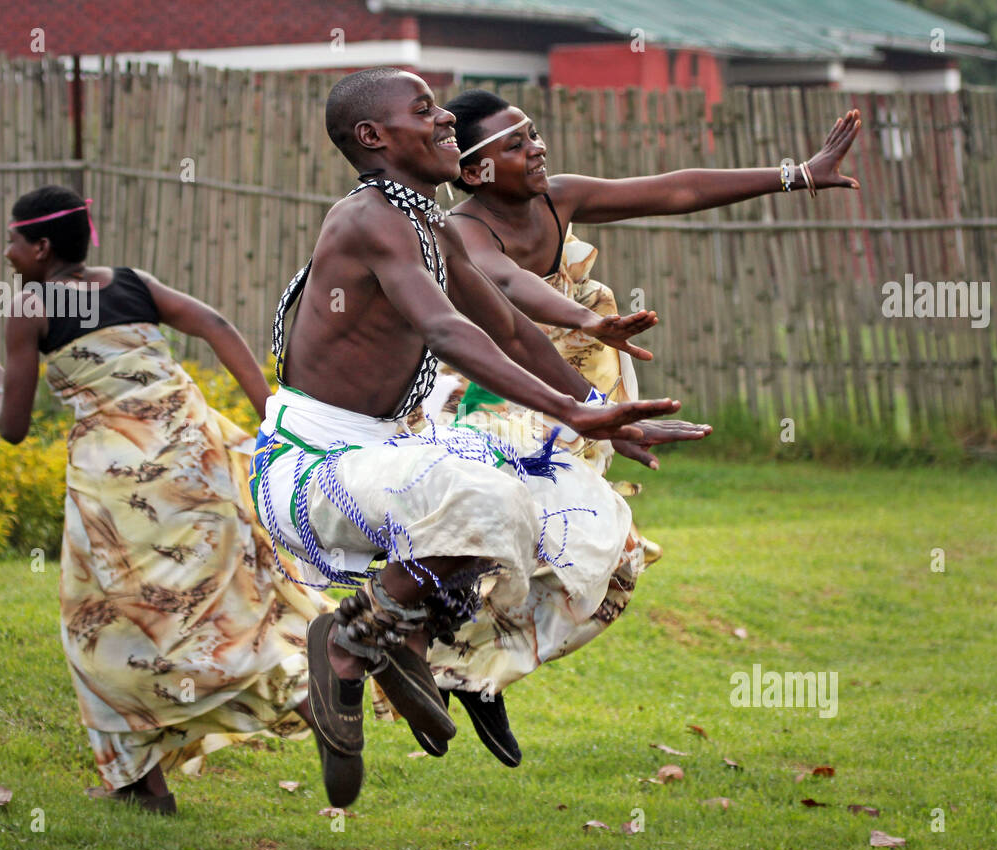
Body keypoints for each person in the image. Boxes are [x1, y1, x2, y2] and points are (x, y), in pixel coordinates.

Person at [248, 67, 706, 806]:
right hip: (315, 464)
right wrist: (575, 409)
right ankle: (357, 640)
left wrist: (597, 408)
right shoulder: (368, 218)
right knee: (488, 499)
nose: (445, 123)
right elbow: (445, 328)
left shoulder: (425, 222)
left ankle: (404, 640)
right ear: (373, 137)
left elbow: (513, 328)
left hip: (395, 452)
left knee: (592, 528)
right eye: (424, 111)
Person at [411, 91, 861, 764]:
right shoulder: (465, 233)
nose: (535, 148)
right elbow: (504, 284)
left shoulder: (558, 198)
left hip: (568, 404)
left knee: (597, 563)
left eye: (532, 135)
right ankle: (413, 654)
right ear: (473, 173)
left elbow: (676, 190)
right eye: (514, 144)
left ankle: (480, 673)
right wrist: (589, 326)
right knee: (494, 546)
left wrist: (794, 175)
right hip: (484, 407)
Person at [0, 184, 334, 814]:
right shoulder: (132, 282)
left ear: (40, 247)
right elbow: (218, 326)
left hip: (118, 483)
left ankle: (148, 784)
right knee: (225, 604)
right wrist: (270, 417)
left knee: (103, 627)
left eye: (13, 238)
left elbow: (12, 427)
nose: (6, 251)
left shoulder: (27, 302)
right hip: (196, 452)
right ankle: (310, 698)